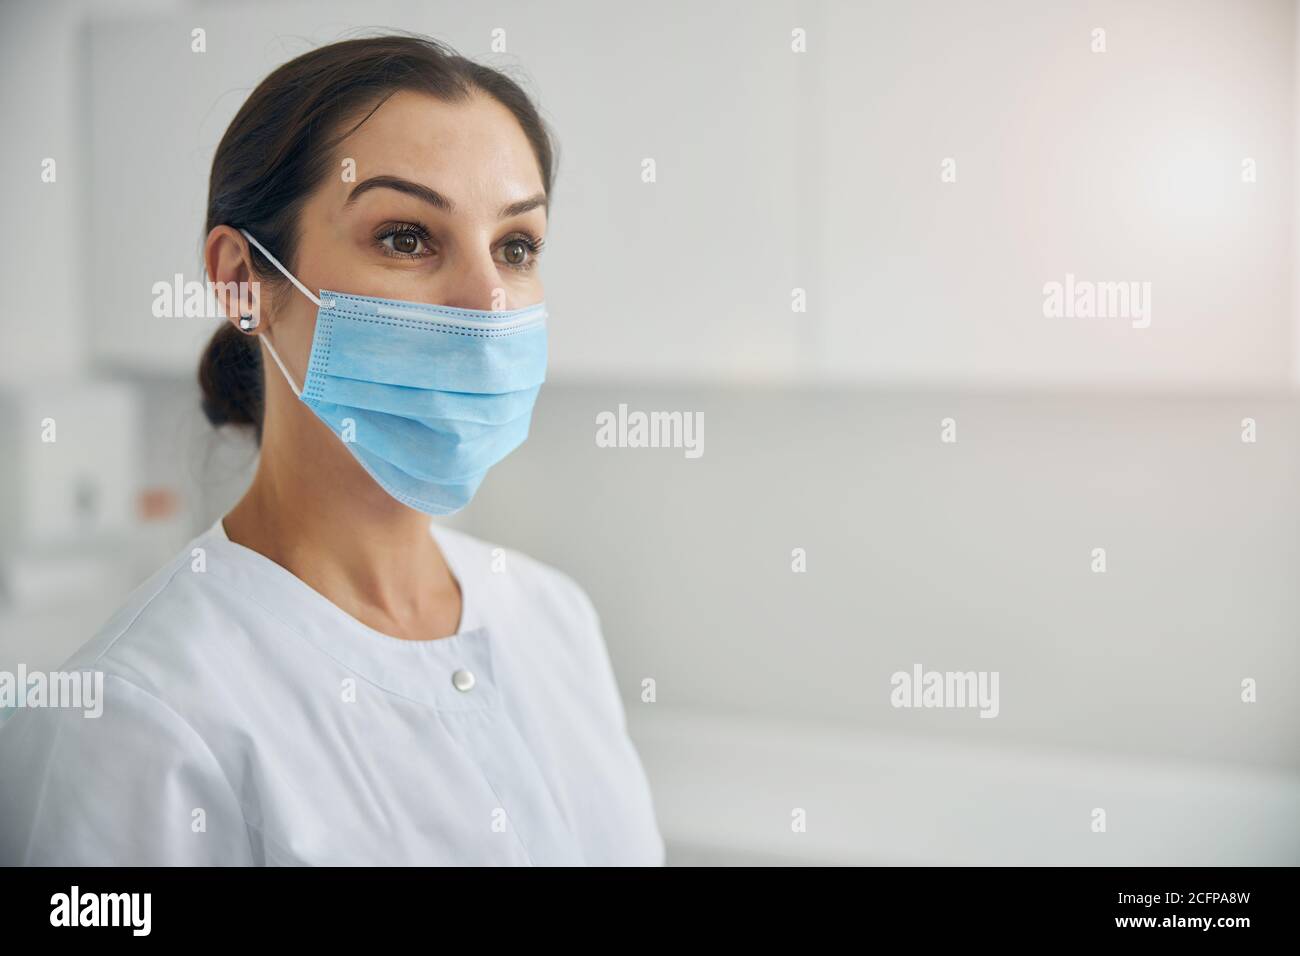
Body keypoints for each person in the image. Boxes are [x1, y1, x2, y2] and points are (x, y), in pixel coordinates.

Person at [0, 33, 665, 866]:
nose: (488, 304)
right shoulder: (134, 720)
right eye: (406, 237)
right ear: (244, 279)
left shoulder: (555, 618)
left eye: (516, 246)